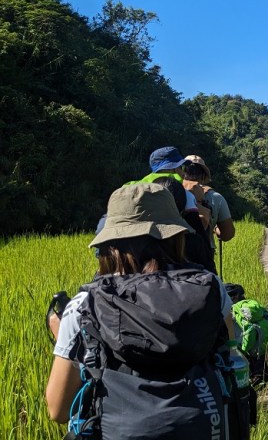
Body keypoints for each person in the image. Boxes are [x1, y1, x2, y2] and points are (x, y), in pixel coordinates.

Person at [46, 183, 235, 432]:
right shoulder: (211, 289)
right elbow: (228, 358)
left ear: (109, 242)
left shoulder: (84, 305)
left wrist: (67, 336)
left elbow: (58, 410)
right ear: (175, 236)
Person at [183, 154, 235, 251]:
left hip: (176, 252)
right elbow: (228, 234)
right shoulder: (216, 198)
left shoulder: (171, 191)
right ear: (204, 176)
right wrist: (216, 230)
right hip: (204, 252)